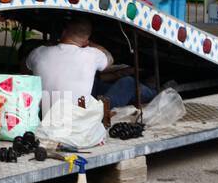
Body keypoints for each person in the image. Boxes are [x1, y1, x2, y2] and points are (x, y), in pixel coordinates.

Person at [25, 17, 155, 116]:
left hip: (45, 114)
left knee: (95, 83)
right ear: (86, 40)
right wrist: (91, 44)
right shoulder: (92, 54)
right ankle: (154, 94)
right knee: (128, 83)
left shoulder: (39, 52)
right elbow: (109, 59)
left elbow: (25, 69)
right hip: (79, 118)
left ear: (64, 32)